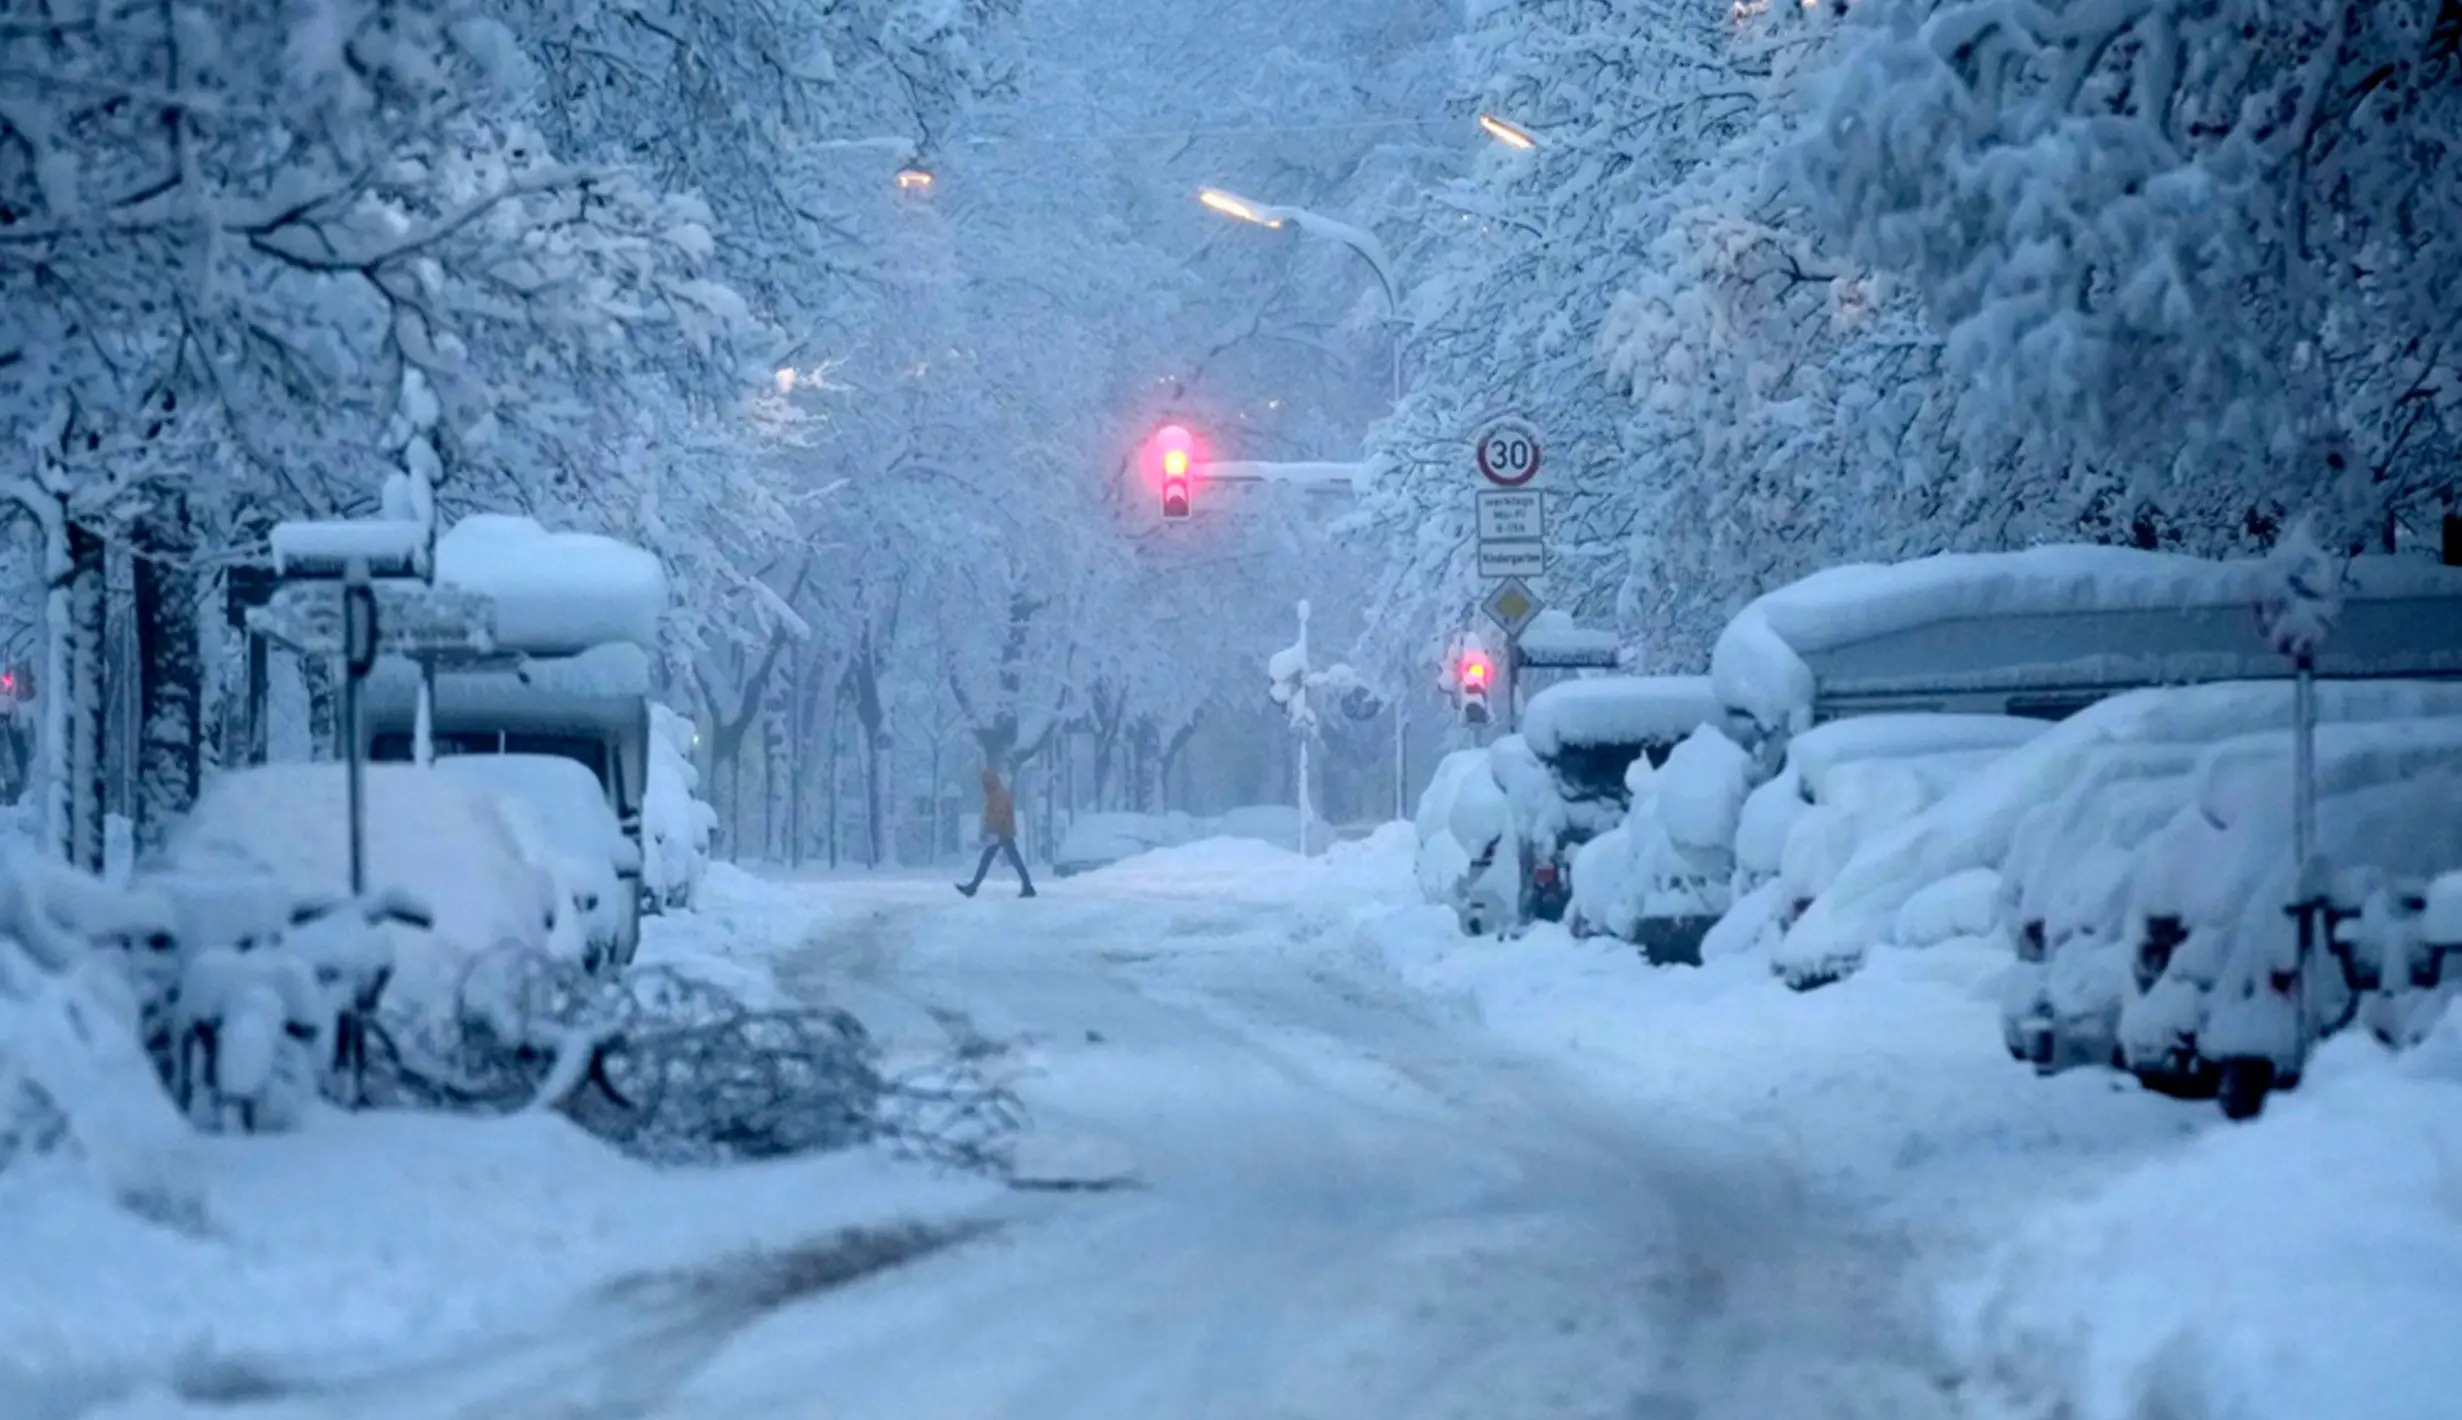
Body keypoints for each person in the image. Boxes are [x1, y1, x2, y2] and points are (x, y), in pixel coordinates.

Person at [957, 766, 1035, 898]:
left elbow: (999, 813)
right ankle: (1027, 886)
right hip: (1003, 832)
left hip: (1000, 833)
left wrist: (990, 829)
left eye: (984, 783)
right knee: (1012, 860)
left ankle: (973, 887)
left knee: (989, 860)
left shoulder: (998, 794)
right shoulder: (997, 793)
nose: (983, 786)